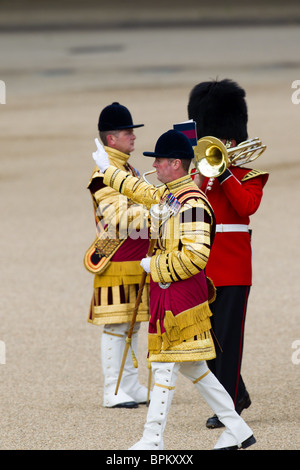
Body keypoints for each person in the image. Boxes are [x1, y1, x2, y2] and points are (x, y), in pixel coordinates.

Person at [92, 128, 256, 450]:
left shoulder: (192, 201)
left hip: (181, 297)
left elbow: (196, 256)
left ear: (177, 164)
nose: (156, 167)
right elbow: (140, 191)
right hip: (173, 293)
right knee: (197, 369)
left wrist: (156, 267)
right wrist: (107, 171)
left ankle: (153, 438)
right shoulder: (172, 194)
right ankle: (238, 430)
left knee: (165, 366)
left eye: (161, 162)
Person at [187, 78, 269, 428]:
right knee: (203, 343)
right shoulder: (196, 174)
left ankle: (229, 406)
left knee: (229, 342)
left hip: (234, 269)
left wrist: (223, 174)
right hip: (200, 267)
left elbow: (245, 206)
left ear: (231, 140)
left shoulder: (249, 175)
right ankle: (238, 394)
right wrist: (201, 178)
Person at [85, 102, 150, 408]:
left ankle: (130, 384)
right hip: (116, 259)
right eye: (128, 132)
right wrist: (157, 213)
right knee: (115, 326)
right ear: (112, 139)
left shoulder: (127, 170)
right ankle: (112, 389)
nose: (133, 137)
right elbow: (118, 216)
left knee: (132, 323)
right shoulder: (103, 174)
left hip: (135, 257)